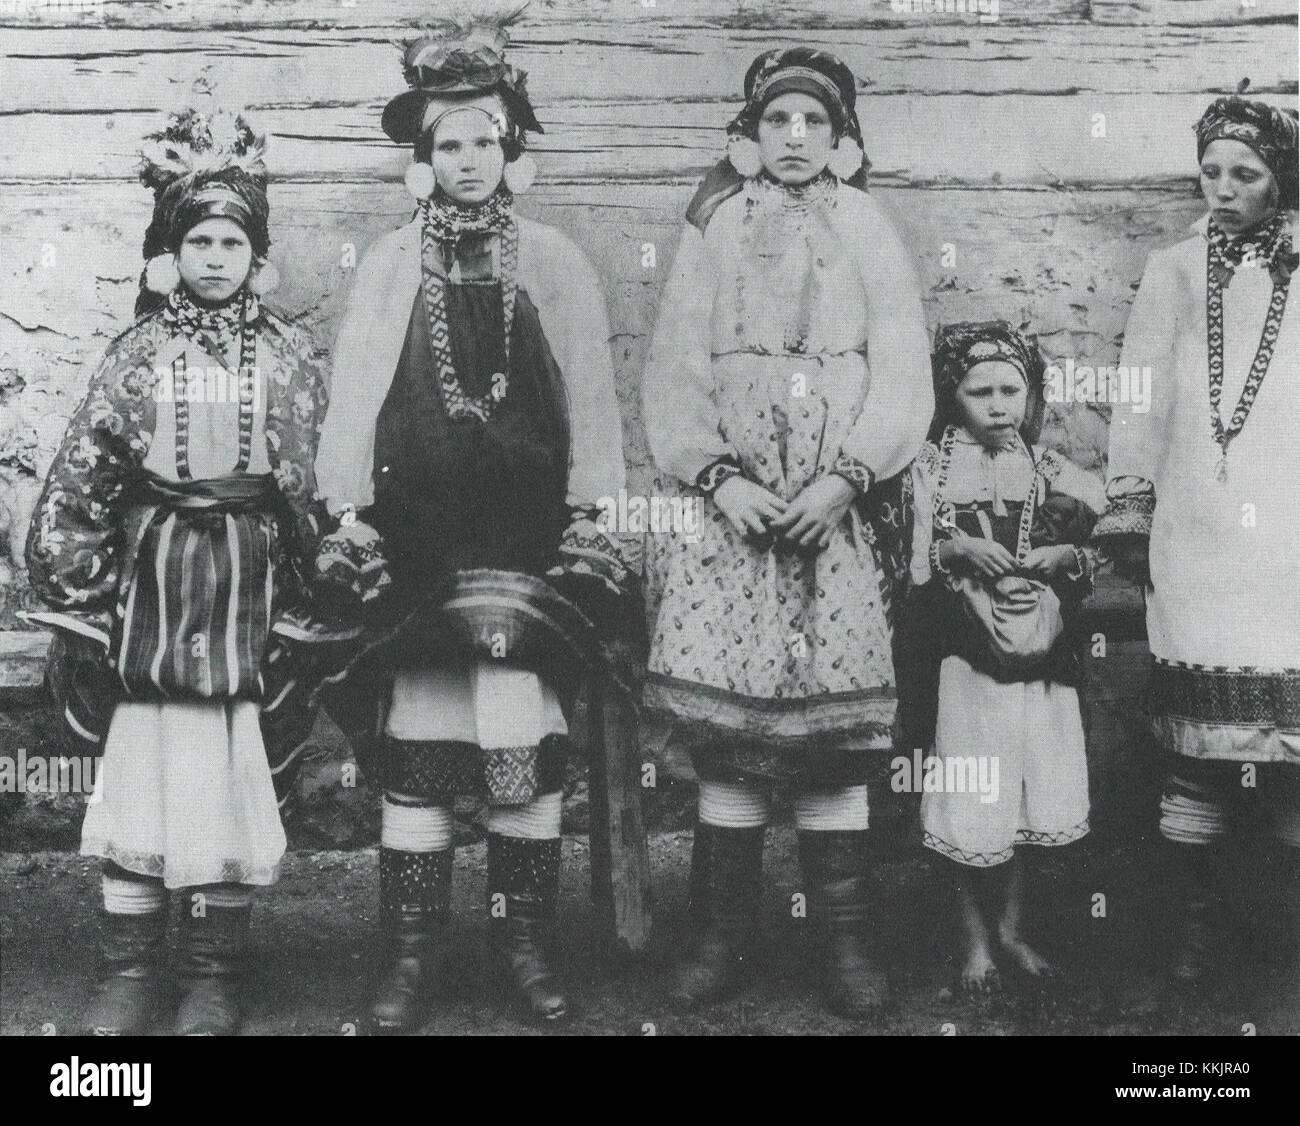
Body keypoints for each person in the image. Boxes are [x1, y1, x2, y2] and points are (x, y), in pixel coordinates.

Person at [311, 10, 632, 1029]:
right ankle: (411, 953)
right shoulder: (389, 265)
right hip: (419, 550)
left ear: (513, 148)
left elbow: (590, 395)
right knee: (422, 742)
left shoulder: (555, 261)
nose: (466, 160)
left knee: (518, 740)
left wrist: (594, 518)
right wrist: (348, 513)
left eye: (484, 139)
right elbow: (354, 396)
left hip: (528, 551)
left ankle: (523, 943)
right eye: (446, 144)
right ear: (420, 158)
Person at [24, 108, 329, 1035]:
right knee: (147, 785)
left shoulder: (287, 356)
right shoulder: (137, 355)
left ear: (256, 254)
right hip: (154, 601)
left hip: (247, 592)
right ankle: (128, 970)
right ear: (169, 251)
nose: (215, 257)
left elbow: (314, 487)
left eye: (233, 240)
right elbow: (82, 478)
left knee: (225, 795)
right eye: (197, 238)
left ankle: (213, 972)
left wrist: (313, 591)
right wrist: (84, 598)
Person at [641, 47, 932, 1018]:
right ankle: (722, 935)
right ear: (752, 135)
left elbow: (901, 366)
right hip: (734, 519)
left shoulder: (866, 227)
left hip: (832, 514)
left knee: (828, 729)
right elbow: (674, 363)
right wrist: (716, 477)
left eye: (813, 123)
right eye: (777, 123)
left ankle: (845, 941)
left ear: (840, 138)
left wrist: (849, 477)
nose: (795, 139)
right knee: (731, 735)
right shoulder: (717, 225)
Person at [1093, 83, 1299, 1029]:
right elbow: (1139, 396)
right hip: (1199, 535)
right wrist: (1130, 509)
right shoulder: (1173, 268)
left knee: (1288, 746)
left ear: (1281, 177)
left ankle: (1278, 942)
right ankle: (1191, 934)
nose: (1223, 188)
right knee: (1199, 744)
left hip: (1290, 543)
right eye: (1211, 171)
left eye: (1246, 174)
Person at [909, 321, 1104, 991]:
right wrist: (955, 548)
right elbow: (908, 565)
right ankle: (972, 940)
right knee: (972, 793)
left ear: (1030, 392)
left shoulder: (1051, 467)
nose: (997, 405)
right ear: (951, 395)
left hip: (1040, 661)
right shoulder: (932, 470)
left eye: (1010, 390)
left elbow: (1100, 548)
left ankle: (1013, 928)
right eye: (979, 391)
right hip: (965, 660)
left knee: (1026, 792)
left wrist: (1065, 555)